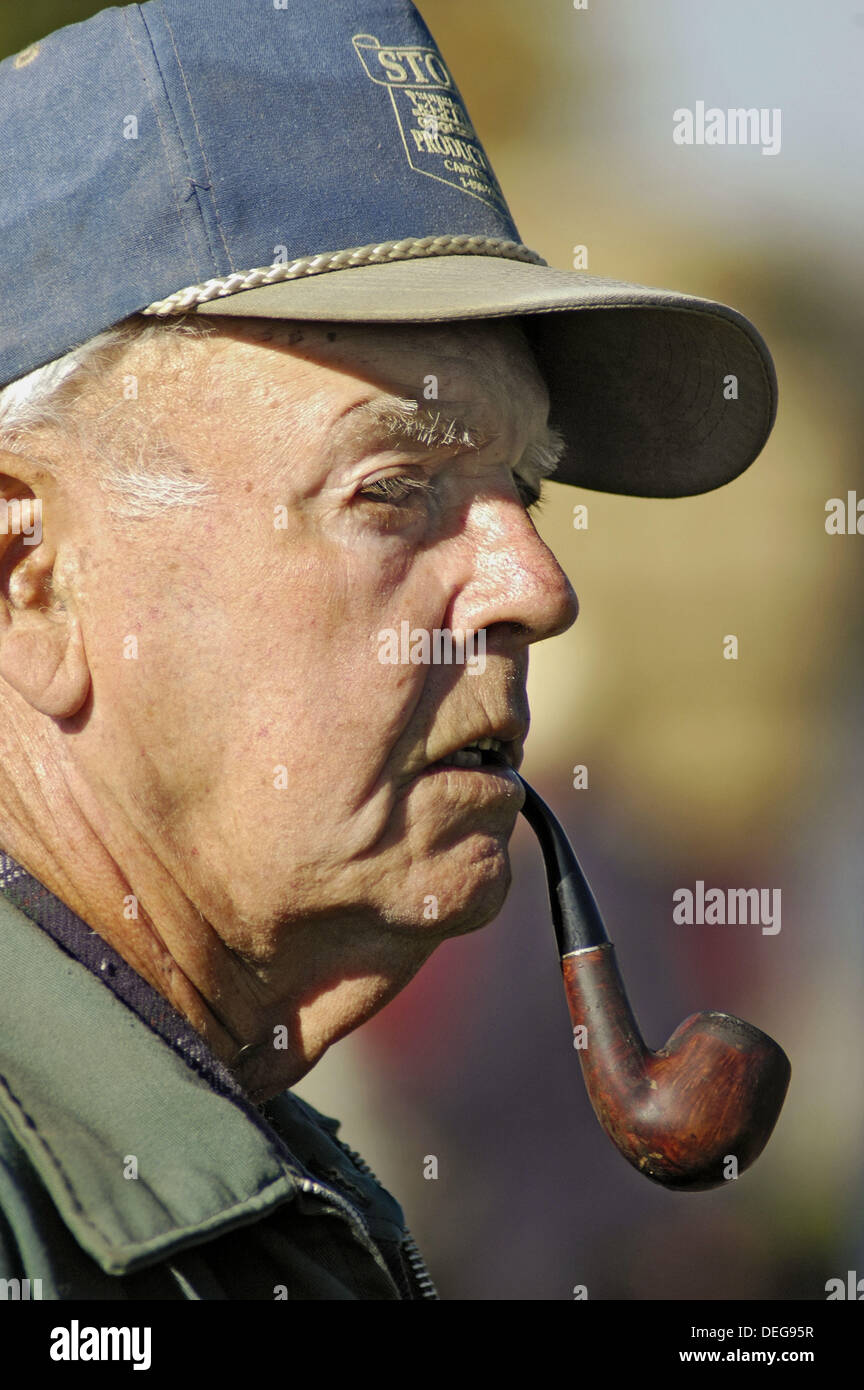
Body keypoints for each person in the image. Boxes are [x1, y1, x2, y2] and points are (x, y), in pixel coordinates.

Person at [0, 0, 776, 1300]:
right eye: (393, 485)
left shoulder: (259, 1179)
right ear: (29, 577)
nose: (537, 585)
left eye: (521, 483)